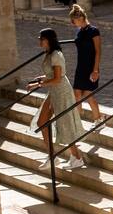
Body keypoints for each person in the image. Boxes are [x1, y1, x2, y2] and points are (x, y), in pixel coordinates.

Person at [25, 28, 87, 171]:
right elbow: (51, 74)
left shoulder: (56, 55)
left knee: (65, 124)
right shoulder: (49, 54)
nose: (39, 41)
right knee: (42, 122)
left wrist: (38, 84)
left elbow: (58, 78)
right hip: (53, 92)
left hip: (62, 92)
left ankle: (77, 158)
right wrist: (40, 78)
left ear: (48, 39)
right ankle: (53, 156)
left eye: (42, 38)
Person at [69, 4, 102, 125]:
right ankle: (77, 123)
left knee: (88, 95)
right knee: (76, 94)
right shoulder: (79, 31)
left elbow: (98, 51)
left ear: (81, 18)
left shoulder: (94, 31)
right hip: (80, 67)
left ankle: (99, 120)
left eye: (74, 21)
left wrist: (95, 70)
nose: (73, 23)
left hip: (91, 67)